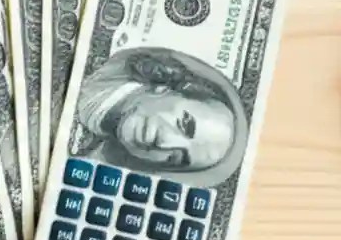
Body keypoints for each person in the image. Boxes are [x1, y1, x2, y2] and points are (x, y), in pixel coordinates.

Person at [72, 47, 248, 187]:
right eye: (185, 124)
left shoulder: (86, 164)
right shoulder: (99, 74)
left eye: (176, 158)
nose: (165, 142)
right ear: (166, 88)